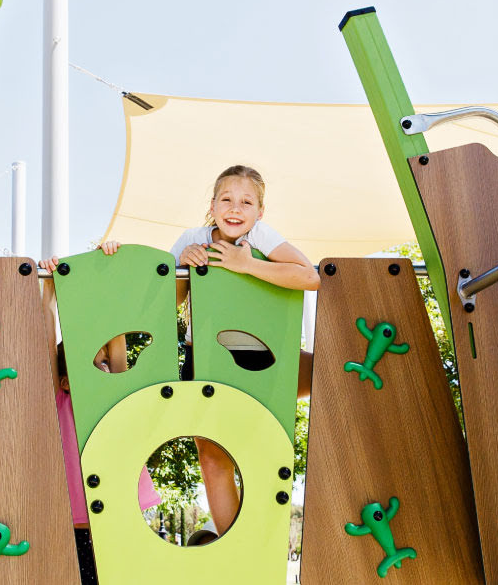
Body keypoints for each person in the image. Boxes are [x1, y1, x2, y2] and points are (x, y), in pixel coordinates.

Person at [171, 164, 318, 537]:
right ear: (213, 205)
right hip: (205, 360)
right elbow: (166, 302)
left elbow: (309, 276)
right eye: (227, 200)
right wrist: (181, 266)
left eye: (246, 202)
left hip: (259, 356)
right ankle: (231, 545)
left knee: (262, 447)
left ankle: (264, 538)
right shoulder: (194, 238)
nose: (235, 209)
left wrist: (248, 264)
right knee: (213, 455)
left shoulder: (262, 237)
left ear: (259, 212)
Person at [54, 340, 161, 583]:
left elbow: (117, 347)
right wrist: (49, 300)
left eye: (103, 363)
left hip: (116, 520)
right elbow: (48, 339)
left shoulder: (112, 398)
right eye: (93, 365)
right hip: (77, 528)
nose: (103, 369)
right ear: (66, 381)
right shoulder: (60, 400)